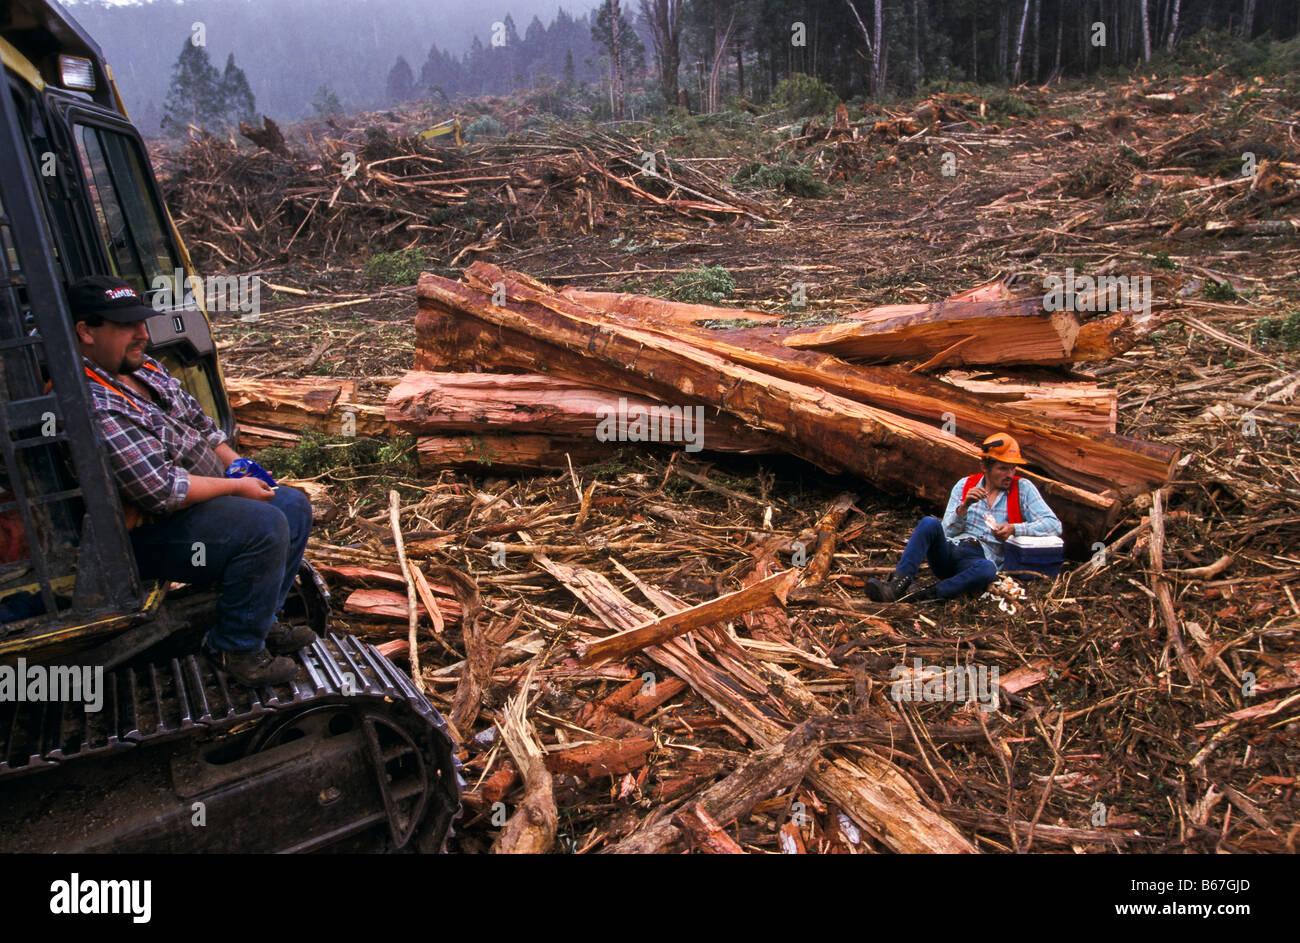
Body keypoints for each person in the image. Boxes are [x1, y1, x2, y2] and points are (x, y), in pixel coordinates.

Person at [68, 275, 316, 685]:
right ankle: (234, 650)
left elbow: (202, 425)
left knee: (291, 505)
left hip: (197, 503)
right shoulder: (91, 400)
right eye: (126, 326)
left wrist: (238, 466)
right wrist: (236, 489)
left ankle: (259, 618)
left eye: (141, 322)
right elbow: (160, 490)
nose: (141, 334)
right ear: (86, 332)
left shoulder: (143, 369)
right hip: (141, 536)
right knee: (263, 526)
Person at [866, 433, 1062, 603]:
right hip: (951, 550)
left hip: (978, 560)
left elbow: (1053, 525)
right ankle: (897, 585)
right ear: (985, 466)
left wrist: (1014, 529)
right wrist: (963, 508)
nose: (1010, 474)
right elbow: (946, 531)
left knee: (987, 570)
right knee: (928, 523)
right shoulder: (964, 485)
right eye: (1003, 468)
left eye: (1013, 469)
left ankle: (925, 595)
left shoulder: (1023, 489)